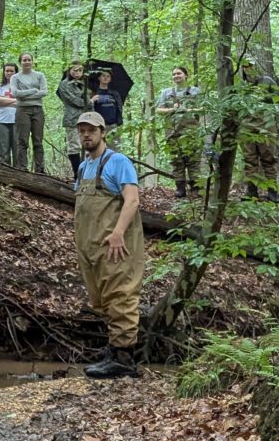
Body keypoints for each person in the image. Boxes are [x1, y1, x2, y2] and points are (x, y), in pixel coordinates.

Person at [73, 111, 145, 380]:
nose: (86, 135)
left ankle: (124, 359)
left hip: (116, 245)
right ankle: (113, 351)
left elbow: (132, 200)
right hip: (90, 247)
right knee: (100, 301)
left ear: (103, 132)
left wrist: (117, 233)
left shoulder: (118, 162)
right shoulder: (83, 167)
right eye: (82, 131)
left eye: (91, 130)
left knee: (121, 297)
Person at [155, 66, 202, 199]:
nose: (176, 76)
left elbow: (203, 108)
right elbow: (159, 110)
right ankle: (180, 189)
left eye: (179, 73)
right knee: (176, 161)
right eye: (174, 74)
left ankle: (196, 188)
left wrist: (187, 109)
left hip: (191, 131)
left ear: (186, 75)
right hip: (172, 131)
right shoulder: (166, 92)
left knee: (193, 160)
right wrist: (172, 110)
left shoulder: (195, 91)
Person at [238, 59, 279, 200]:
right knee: (249, 160)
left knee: (269, 158)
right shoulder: (241, 85)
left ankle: (273, 192)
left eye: (250, 65)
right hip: (246, 126)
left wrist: (262, 97)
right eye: (245, 66)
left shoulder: (267, 81)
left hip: (266, 126)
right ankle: (251, 191)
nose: (247, 68)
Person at [10, 52, 47, 173]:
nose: (26, 62)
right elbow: (15, 94)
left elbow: (44, 92)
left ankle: (40, 169)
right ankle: (22, 168)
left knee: (38, 140)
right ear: (20, 62)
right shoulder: (15, 77)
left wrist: (25, 94)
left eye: (29, 60)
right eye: (24, 60)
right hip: (22, 111)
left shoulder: (40, 75)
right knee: (22, 140)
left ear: (32, 61)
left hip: (37, 110)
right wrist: (33, 91)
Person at [56, 61, 90, 177]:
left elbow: (89, 99)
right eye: (75, 70)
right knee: (74, 145)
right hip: (72, 118)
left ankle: (86, 173)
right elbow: (73, 100)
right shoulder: (65, 84)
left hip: (86, 118)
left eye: (80, 70)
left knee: (86, 145)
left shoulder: (85, 83)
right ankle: (77, 174)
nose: (77, 73)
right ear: (69, 70)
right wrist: (89, 102)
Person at [0, 62, 18, 166]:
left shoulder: (20, 87)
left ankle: (20, 175)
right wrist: (15, 101)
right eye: (7, 71)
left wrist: (5, 101)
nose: (9, 73)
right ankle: (3, 175)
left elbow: (24, 101)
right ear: (3, 72)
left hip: (17, 121)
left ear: (16, 72)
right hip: (2, 121)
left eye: (12, 71)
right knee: (3, 150)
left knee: (18, 150)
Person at [91, 68, 125, 140]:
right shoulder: (94, 93)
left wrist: (119, 123)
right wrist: (92, 101)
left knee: (114, 148)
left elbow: (119, 108)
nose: (105, 78)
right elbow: (89, 109)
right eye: (103, 76)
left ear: (110, 79)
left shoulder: (115, 93)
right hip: (98, 125)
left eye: (108, 76)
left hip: (113, 126)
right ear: (99, 78)